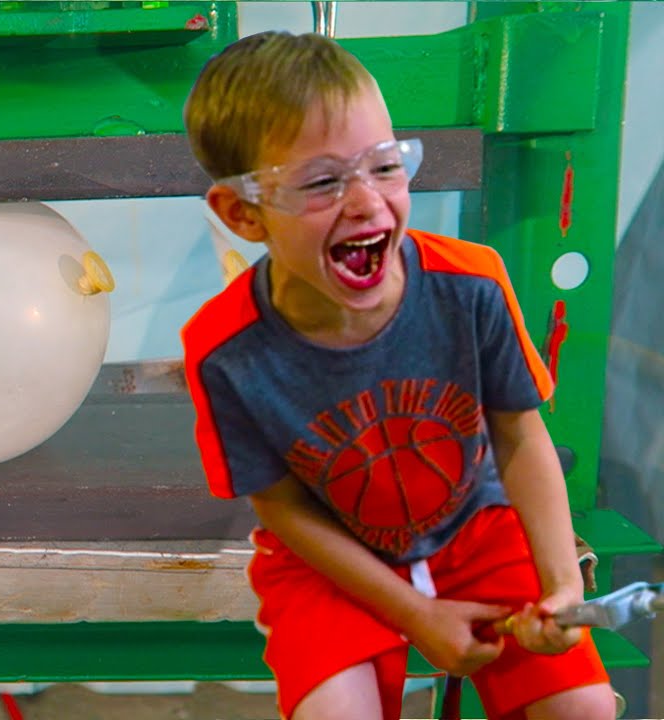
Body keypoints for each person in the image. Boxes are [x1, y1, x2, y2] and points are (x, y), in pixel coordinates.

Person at [179, 30, 616, 720]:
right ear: (243, 213)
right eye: (322, 181)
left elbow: (520, 438)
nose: (366, 202)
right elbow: (281, 507)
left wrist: (562, 587)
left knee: (583, 710)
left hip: (479, 524)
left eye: (385, 166)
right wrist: (415, 614)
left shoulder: (472, 284)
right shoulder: (223, 353)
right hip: (334, 558)